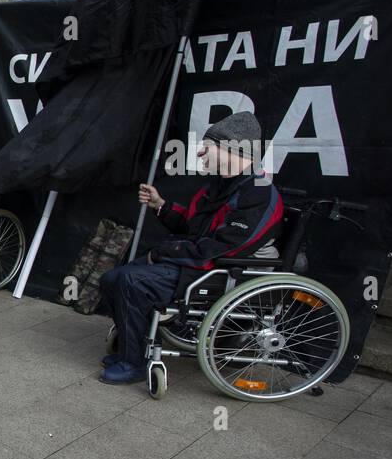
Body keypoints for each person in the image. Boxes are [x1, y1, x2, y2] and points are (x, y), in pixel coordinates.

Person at [99, 111, 283, 385]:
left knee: (131, 281)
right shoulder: (216, 187)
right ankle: (135, 347)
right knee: (110, 279)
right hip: (202, 263)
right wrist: (161, 206)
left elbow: (225, 248)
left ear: (230, 148)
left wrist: (162, 254)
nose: (199, 154)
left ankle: (133, 364)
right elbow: (192, 226)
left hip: (229, 272)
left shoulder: (258, 191)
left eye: (206, 147)